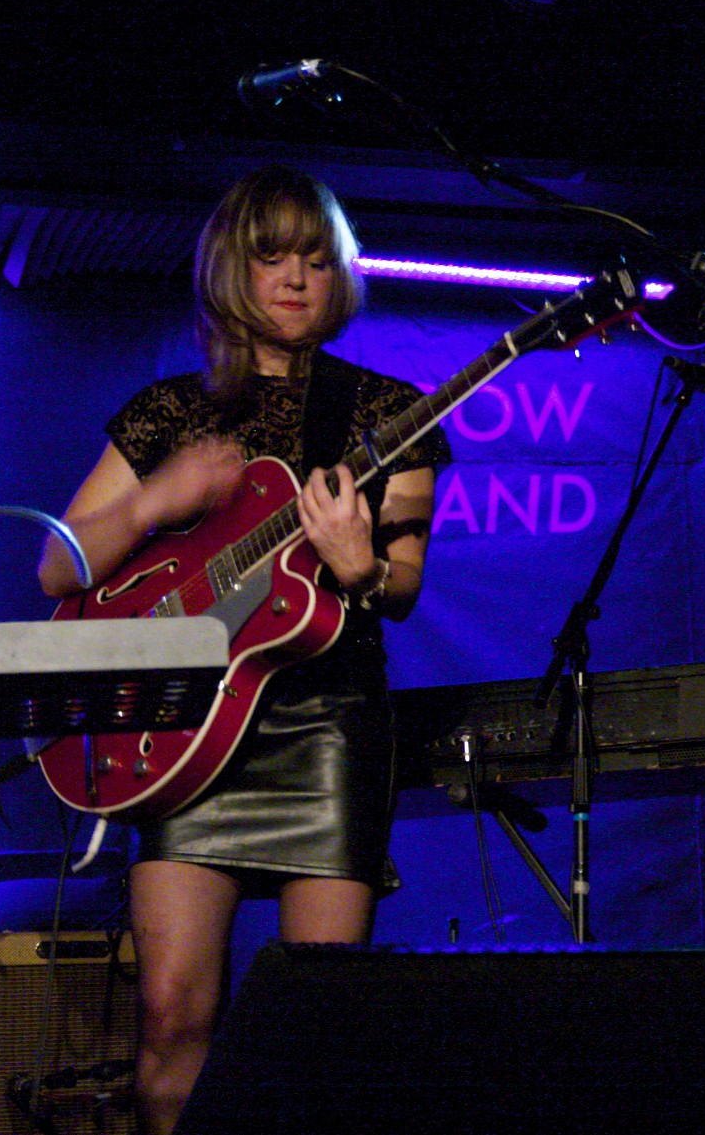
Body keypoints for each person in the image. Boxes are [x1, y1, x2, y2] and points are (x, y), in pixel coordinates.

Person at [37, 165, 447, 1134]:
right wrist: (153, 501)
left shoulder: (389, 412)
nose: (298, 278)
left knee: (324, 1019)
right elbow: (55, 566)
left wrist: (357, 567)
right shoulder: (170, 412)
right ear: (233, 269)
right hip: (185, 741)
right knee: (172, 1014)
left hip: (325, 728)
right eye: (273, 256)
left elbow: (404, 586)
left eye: (316, 257)